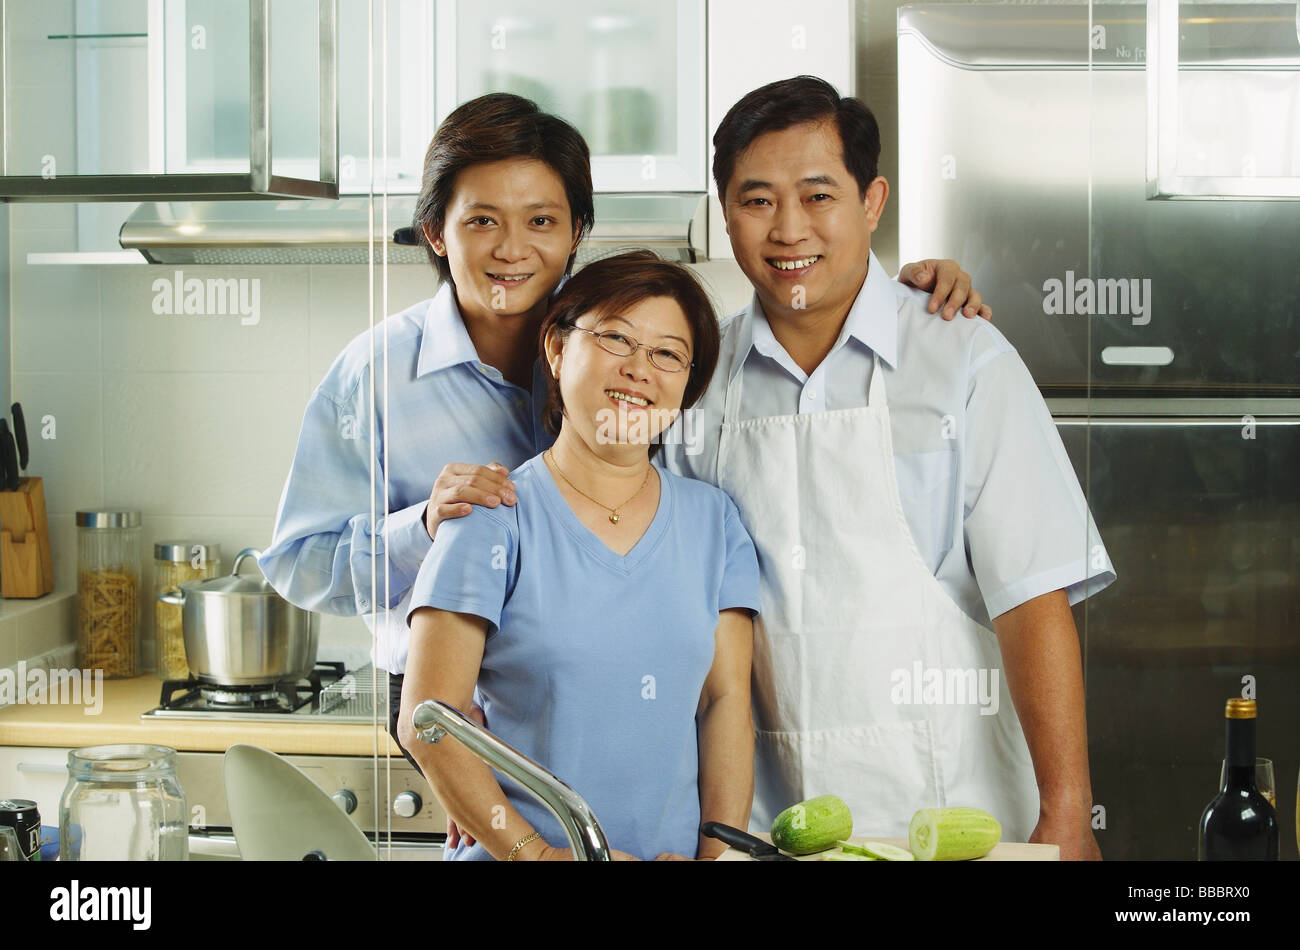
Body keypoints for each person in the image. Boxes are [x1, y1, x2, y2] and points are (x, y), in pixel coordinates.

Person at [257, 92, 991, 776]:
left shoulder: (614, 351)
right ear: (435, 232)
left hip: (620, 688)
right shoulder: (376, 376)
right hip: (453, 694)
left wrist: (898, 294)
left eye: (541, 221)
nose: (513, 248)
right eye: (481, 220)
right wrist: (426, 526)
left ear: (577, 232)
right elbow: (297, 563)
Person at [659, 76, 1117, 860]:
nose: (788, 229)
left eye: (818, 195)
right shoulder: (691, 375)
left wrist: (1069, 811)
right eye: (757, 200)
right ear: (724, 211)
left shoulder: (962, 358)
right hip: (761, 827)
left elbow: (1032, 594)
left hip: (953, 819)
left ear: (872, 203)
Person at [398, 251, 759, 861]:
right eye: (616, 338)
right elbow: (428, 722)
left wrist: (713, 856)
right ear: (558, 349)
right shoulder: (491, 517)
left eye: (668, 354)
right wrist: (541, 856)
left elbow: (725, 702)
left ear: (687, 384)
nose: (639, 369)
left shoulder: (714, 522)